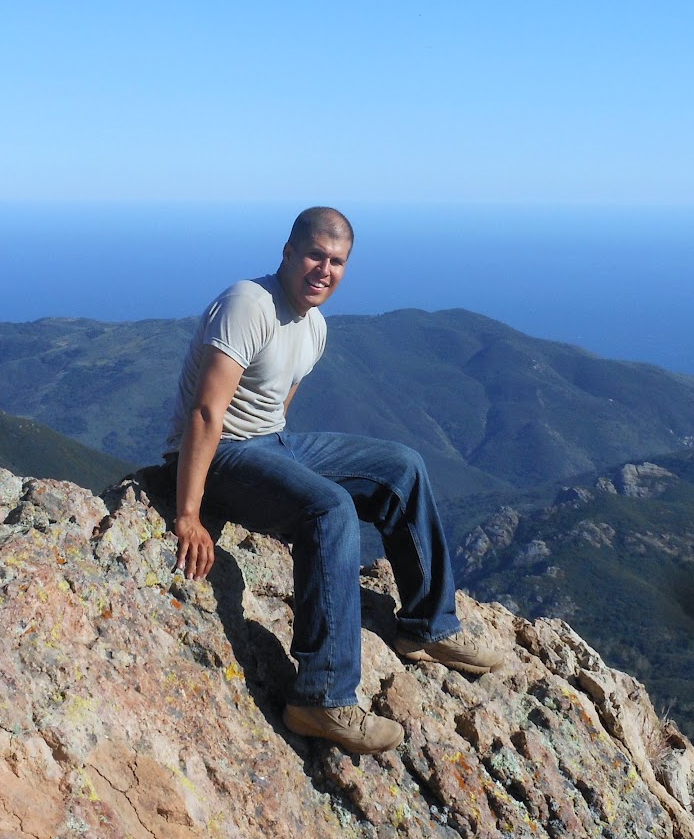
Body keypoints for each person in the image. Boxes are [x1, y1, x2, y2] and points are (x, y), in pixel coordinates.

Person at [165, 206, 503, 755]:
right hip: (220, 452)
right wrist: (188, 513)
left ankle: (427, 625)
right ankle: (321, 696)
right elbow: (207, 413)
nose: (325, 269)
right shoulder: (248, 305)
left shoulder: (314, 325)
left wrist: (285, 478)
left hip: (271, 443)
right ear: (289, 253)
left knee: (402, 466)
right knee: (330, 508)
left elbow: (278, 406)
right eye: (316, 255)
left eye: (338, 261)